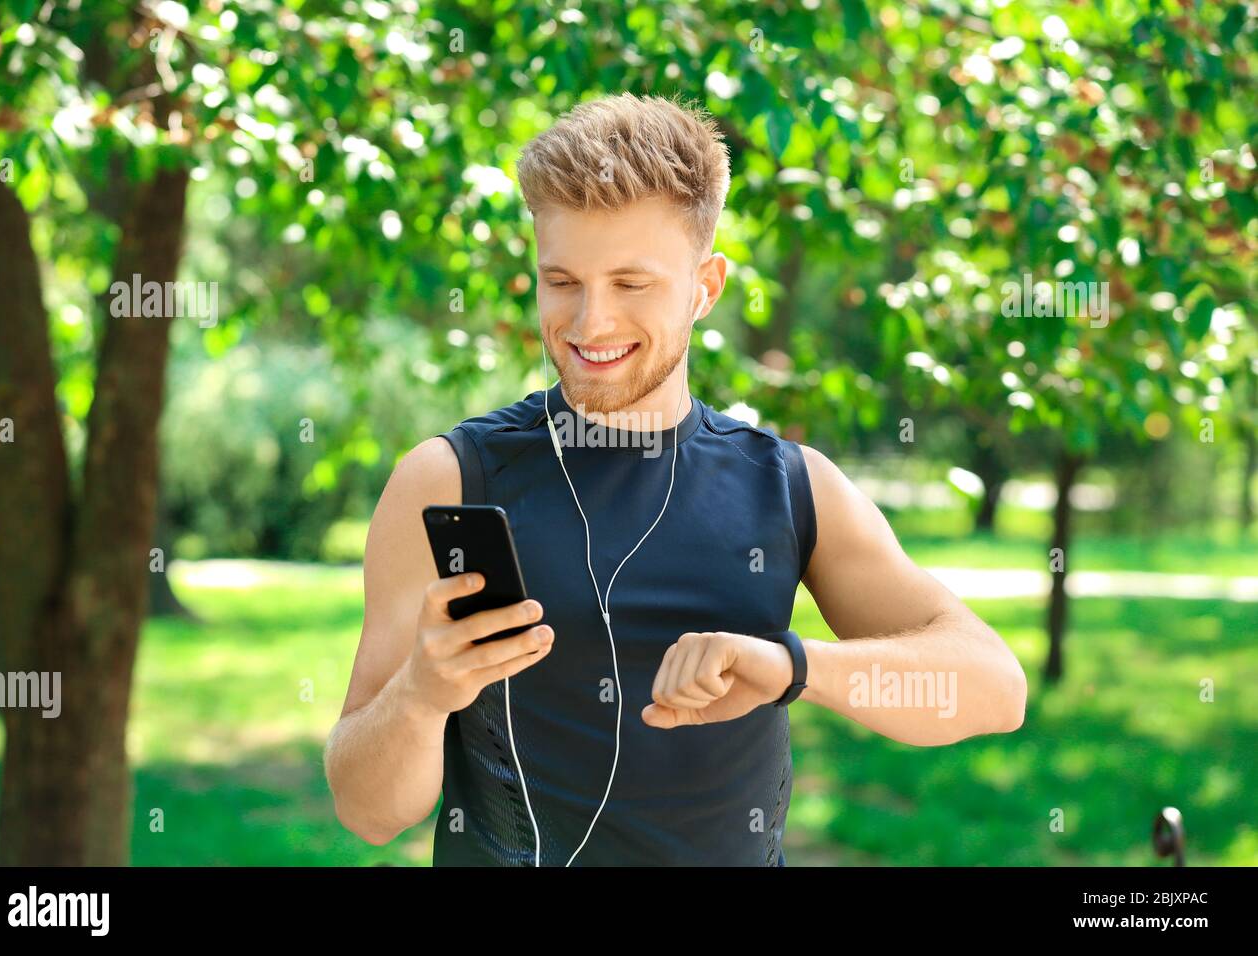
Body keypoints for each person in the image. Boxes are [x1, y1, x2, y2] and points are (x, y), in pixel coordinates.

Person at [324, 93, 1027, 866]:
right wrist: (423, 695)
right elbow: (367, 813)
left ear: (706, 286)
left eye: (632, 285)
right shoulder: (448, 479)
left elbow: (993, 687)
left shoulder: (789, 488)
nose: (591, 324)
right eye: (562, 282)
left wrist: (796, 667)